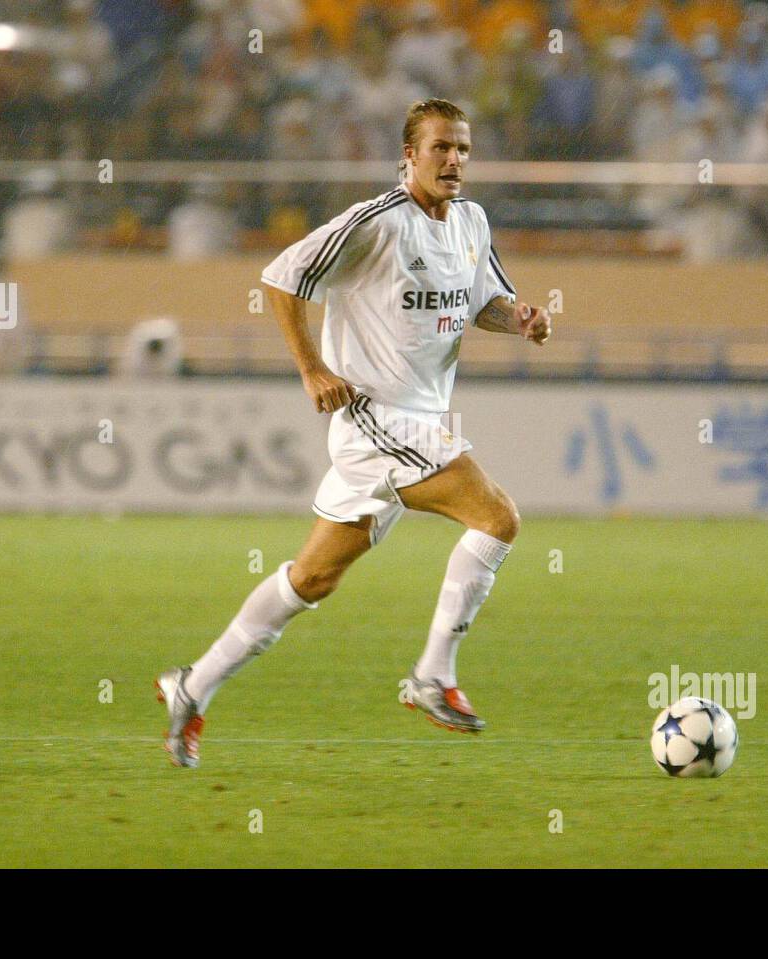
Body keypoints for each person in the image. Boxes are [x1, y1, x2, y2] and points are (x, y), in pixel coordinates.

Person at [155, 98, 552, 768]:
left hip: (420, 424)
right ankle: (432, 674)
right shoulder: (376, 223)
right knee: (496, 516)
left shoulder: (472, 223)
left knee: (312, 579)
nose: (453, 161)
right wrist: (312, 368)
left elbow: (484, 301)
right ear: (408, 155)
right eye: (439, 149)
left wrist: (520, 320)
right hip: (375, 417)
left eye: (462, 149)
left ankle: (190, 686)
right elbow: (283, 278)